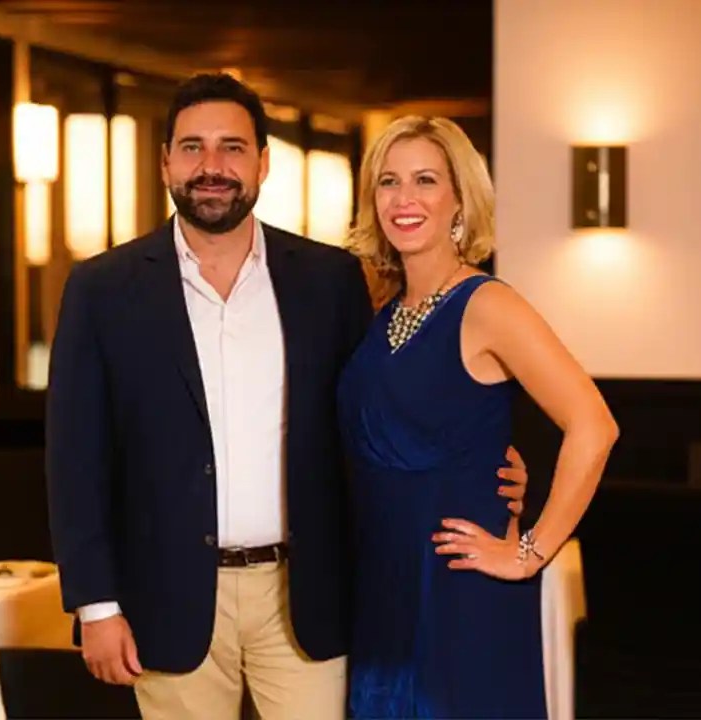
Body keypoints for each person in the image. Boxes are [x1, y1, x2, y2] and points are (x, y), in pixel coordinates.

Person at [45, 74, 528, 720]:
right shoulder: (101, 290)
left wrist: (503, 475)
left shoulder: (329, 281)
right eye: (192, 147)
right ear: (165, 162)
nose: (211, 166)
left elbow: (385, 408)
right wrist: (96, 607)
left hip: (308, 598)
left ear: (263, 163)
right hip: (167, 600)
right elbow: (74, 460)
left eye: (232, 148)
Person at [338, 115, 619, 719]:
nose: (404, 199)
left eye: (425, 181)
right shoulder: (385, 311)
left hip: (460, 591)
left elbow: (594, 426)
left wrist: (530, 553)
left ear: (459, 200)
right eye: (389, 182)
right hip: (384, 587)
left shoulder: (489, 304)